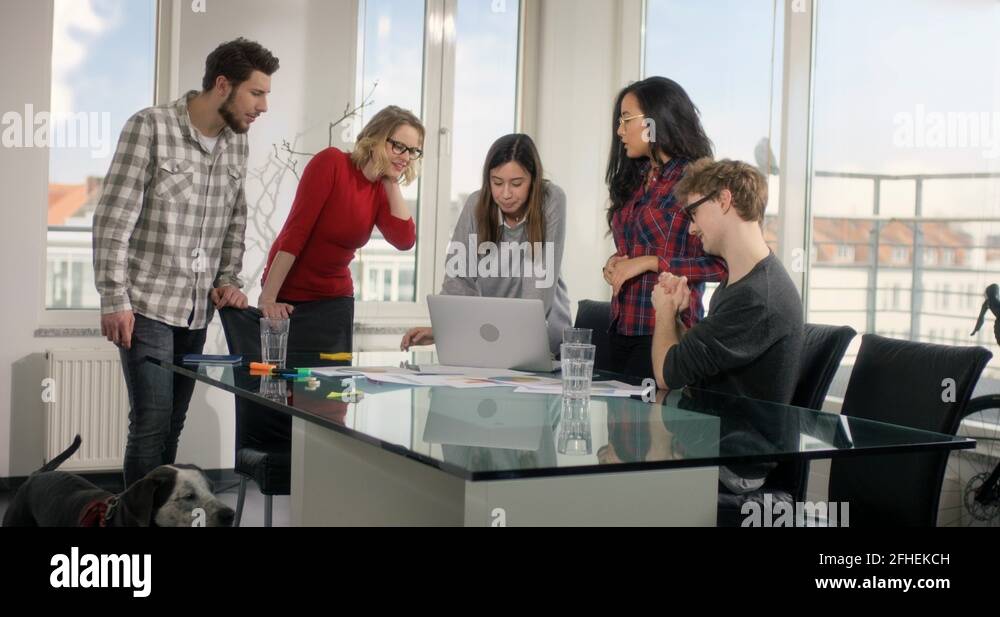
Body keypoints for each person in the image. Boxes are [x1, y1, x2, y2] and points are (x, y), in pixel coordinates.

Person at [93, 38, 279, 487]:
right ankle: (136, 521)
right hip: (147, 304)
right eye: (256, 93)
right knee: (151, 423)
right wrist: (114, 299)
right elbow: (113, 219)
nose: (263, 106)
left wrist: (229, 278)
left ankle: (162, 514)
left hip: (197, 310)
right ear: (223, 85)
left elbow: (236, 218)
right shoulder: (150, 127)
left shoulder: (236, 143)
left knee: (173, 425)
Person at [650, 158, 804, 505]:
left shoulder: (756, 297)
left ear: (723, 199)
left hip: (731, 469)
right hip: (709, 447)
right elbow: (690, 362)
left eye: (694, 213)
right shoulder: (739, 284)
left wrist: (664, 311)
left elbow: (666, 373)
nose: (692, 228)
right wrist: (678, 316)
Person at [259, 105, 423, 353]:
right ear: (375, 138)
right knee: (280, 376)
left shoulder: (380, 190)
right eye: (399, 146)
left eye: (412, 151)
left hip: (335, 302)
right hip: (288, 296)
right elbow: (295, 234)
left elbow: (405, 241)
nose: (406, 157)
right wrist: (268, 298)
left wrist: (391, 181)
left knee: (333, 379)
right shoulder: (332, 163)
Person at [603, 76, 727, 381]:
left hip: (666, 332)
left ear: (655, 121)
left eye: (626, 119)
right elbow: (635, 246)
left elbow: (721, 266)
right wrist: (616, 263)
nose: (620, 131)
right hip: (621, 327)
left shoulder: (695, 180)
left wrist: (650, 263)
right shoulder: (637, 178)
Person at [400, 133, 570, 354]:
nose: (505, 194)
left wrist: (486, 333)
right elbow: (458, 280)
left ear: (534, 180)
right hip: (491, 339)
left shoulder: (551, 200)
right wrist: (443, 329)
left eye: (517, 183)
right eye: (497, 182)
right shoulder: (476, 204)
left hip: (542, 343)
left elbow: (536, 295)